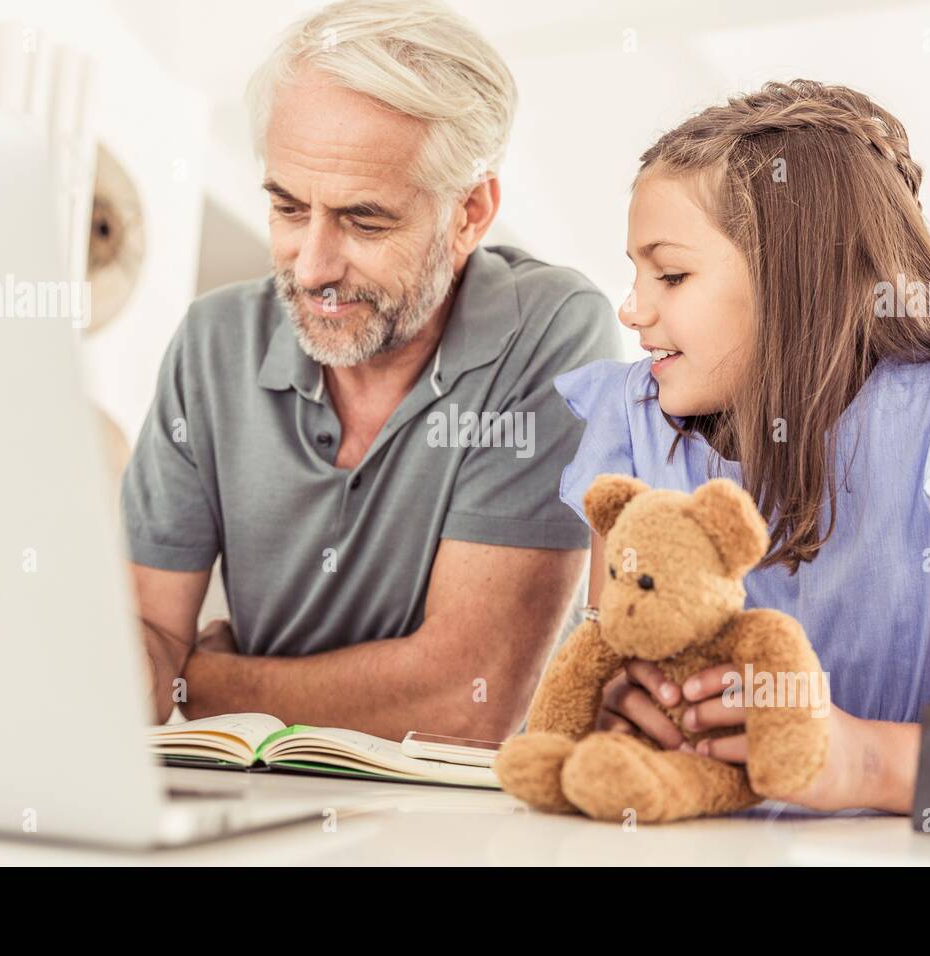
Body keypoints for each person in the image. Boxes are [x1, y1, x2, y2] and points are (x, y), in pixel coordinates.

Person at [556, 80, 930, 814]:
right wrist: (617, 715)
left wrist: (859, 761)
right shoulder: (631, 421)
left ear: (796, 276)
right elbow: (605, 670)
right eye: (634, 272)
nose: (631, 307)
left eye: (672, 274)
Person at [123, 0, 619, 739]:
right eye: (290, 210)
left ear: (470, 214)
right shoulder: (211, 342)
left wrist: (203, 682)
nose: (313, 268)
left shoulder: (552, 329)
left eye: (364, 220)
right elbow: (141, 649)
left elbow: (466, 701)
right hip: (250, 804)